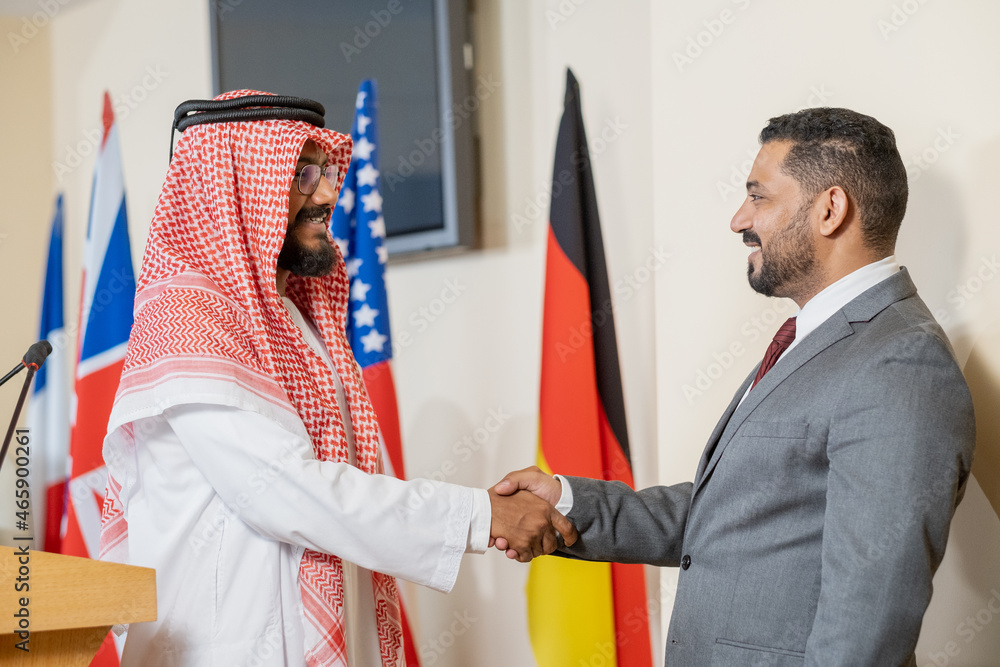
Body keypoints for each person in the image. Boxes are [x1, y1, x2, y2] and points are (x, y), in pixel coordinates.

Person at [97, 90, 574, 667]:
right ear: (236, 185)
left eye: (324, 172)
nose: (327, 193)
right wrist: (481, 515)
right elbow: (286, 490)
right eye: (300, 174)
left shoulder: (293, 316)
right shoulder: (188, 317)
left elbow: (344, 476)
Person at [493, 107, 976, 665]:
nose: (738, 219)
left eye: (759, 197)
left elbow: (868, 625)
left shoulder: (901, 363)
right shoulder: (816, 338)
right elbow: (730, 515)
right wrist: (569, 502)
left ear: (830, 209)